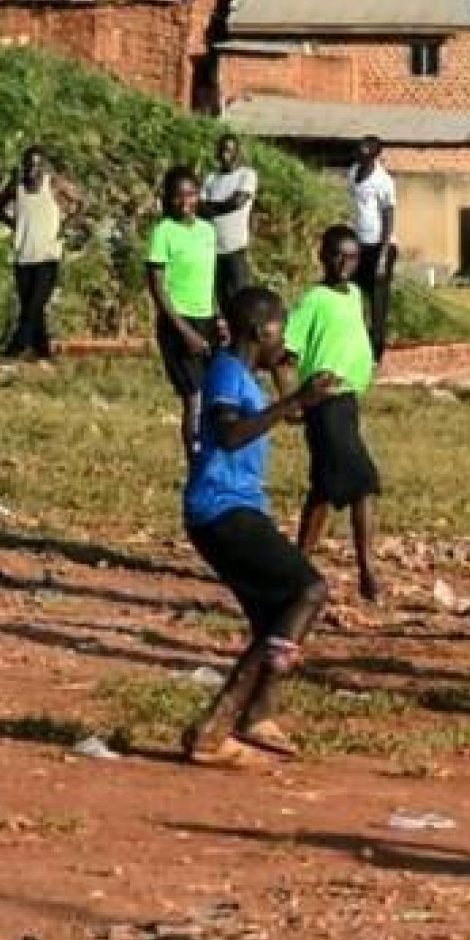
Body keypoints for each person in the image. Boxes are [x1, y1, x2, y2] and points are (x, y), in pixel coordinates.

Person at [179, 287, 337, 768]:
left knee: (274, 620)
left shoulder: (245, 375)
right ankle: (237, 719)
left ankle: (233, 723)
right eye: (281, 330)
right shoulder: (228, 371)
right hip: (222, 510)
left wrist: (295, 398)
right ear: (261, 330)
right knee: (309, 589)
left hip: (231, 508)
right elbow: (228, 432)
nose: (283, 340)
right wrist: (292, 400)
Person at [283, 227, 385, 605]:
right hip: (325, 404)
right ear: (322, 256)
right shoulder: (314, 299)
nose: (345, 263)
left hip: (347, 403)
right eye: (338, 255)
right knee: (364, 482)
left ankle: (297, 567)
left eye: (353, 256)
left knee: (325, 488)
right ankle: (367, 570)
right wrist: (290, 400)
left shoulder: (355, 294)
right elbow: (286, 353)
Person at [146, 165, 219, 461]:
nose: (184, 201)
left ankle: (212, 454)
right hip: (178, 323)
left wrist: (218, 317)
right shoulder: (163, 232)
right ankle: (195, 460)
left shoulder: (207, 231)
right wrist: (184, 332)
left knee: (215, 393)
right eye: (177, 196)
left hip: (206, 319)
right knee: (194, 397)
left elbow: (209, 278)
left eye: (190, 194)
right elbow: (157, 288)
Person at [0, 145, 62, 361]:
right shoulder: (17, 188)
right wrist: (14, 223)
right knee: (31, 306)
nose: (33, 169)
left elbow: (81, 202)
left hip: (48, 255)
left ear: (44, 167)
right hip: (23, 255)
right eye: (29, 164)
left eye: (38, 165)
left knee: (34, 305)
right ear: (24, 166)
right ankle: (43, 351)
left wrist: (65, 225)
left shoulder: (53, 185)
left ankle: (16, 347)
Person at [348, 135, 397, 363]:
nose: (361, 152)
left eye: (367, 149)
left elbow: (388, 216)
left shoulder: (384, 181)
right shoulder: (352, 172)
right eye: (360, 148)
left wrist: (383, 255)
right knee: (354, 295)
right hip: (359, 244)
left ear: (375, 155)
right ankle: (356, 343)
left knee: (378, 302)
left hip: (380, 246)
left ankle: (376, 352)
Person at [202, 133, 259, 316]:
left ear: (237, 153)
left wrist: (212, 207)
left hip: (235, 249)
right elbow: (200, 208)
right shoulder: (211, 178)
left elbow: (237, 202)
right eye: (222, 151)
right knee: (217, 300)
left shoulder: (246, 175)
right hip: (212, 249)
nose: (226, 155)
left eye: (230, 151)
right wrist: (217, 206)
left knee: (239, 300)